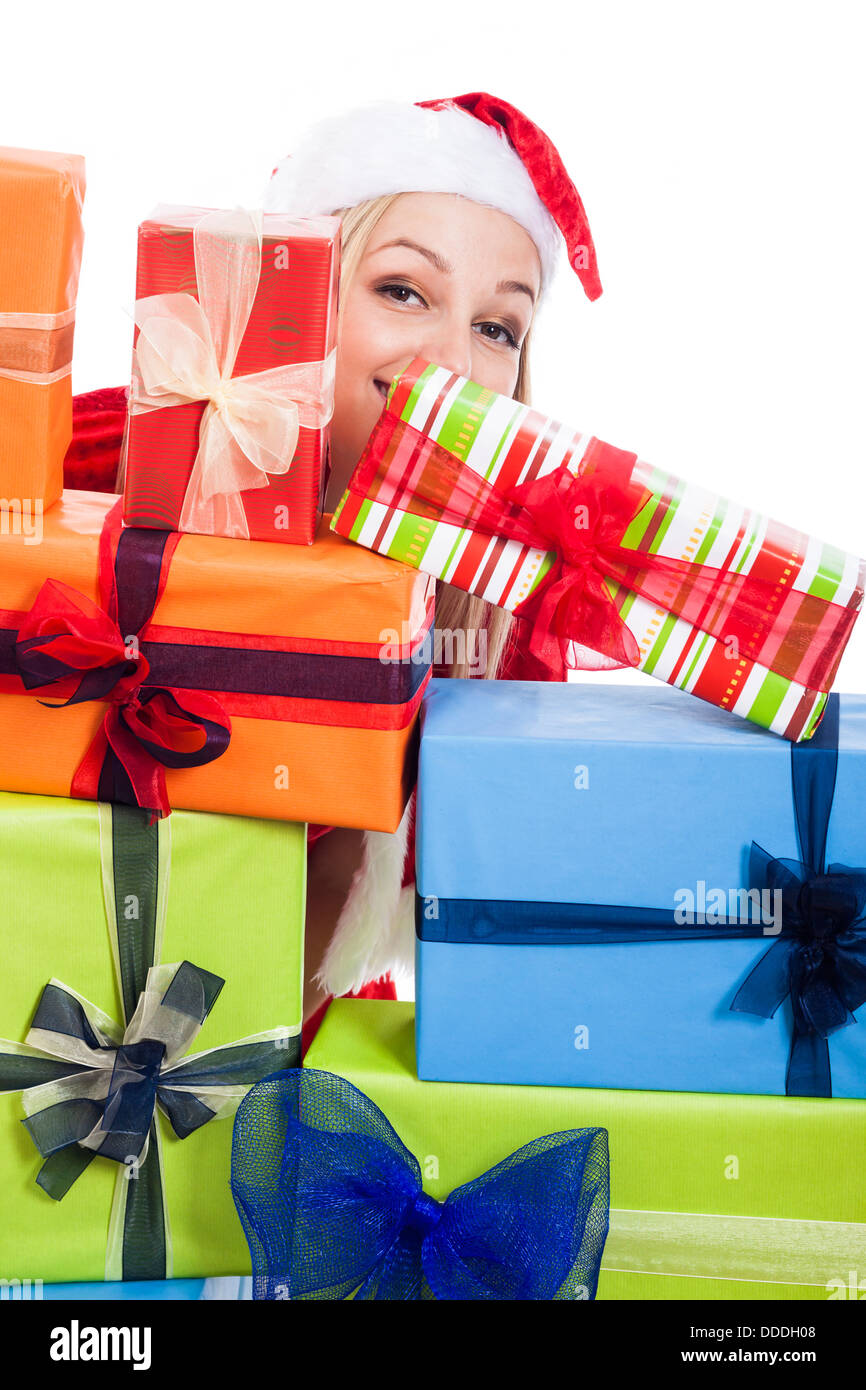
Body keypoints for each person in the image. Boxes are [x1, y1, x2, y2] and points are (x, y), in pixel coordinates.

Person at [64, 91, 603, 1046]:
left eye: (497, 329)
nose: (451, 363)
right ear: (305, 296)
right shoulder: (104, 459)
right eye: (403, 291)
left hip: (281, 1063)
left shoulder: (500, 619)